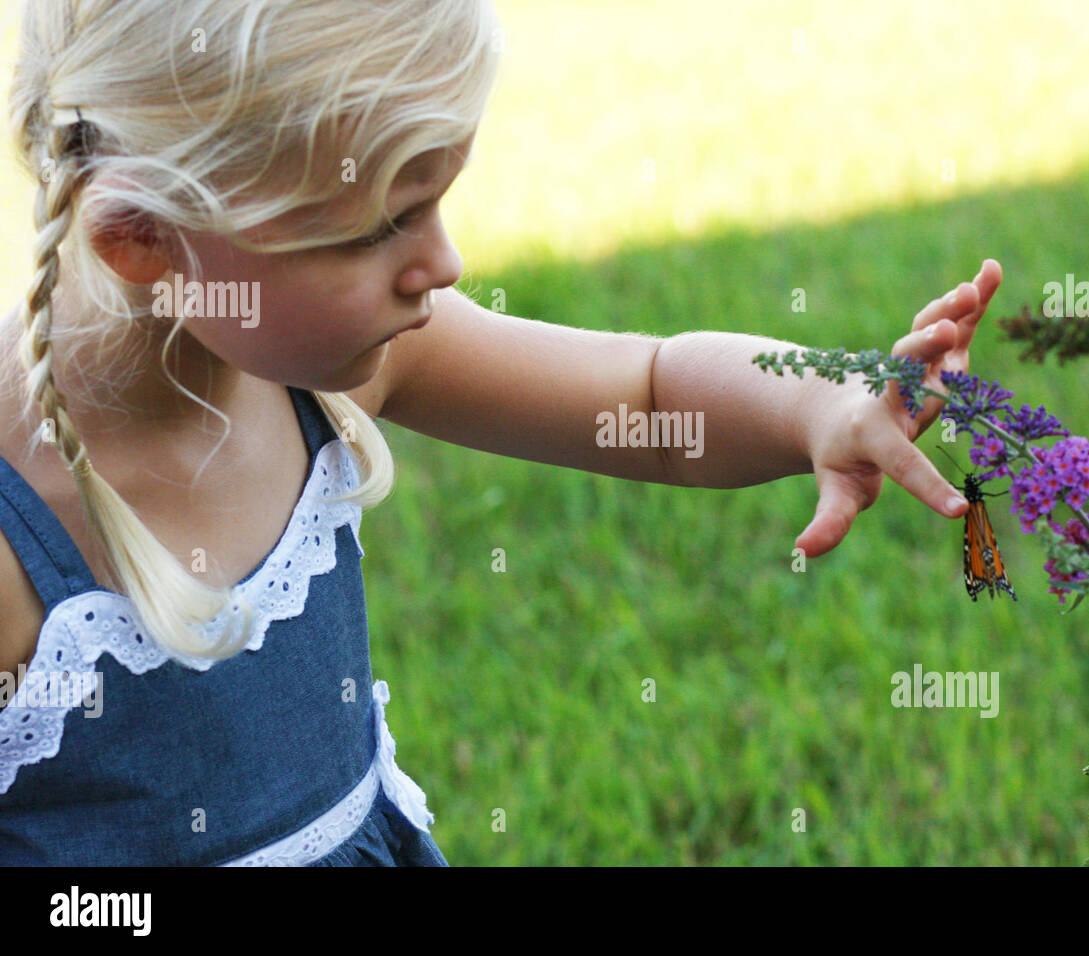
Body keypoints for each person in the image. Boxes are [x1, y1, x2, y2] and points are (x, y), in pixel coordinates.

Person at [0, 0, 1000, 865]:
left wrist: (818, 404)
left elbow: (645, 397)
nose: (443, 259)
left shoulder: (328, 364)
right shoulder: (17, 544)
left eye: (437, 203)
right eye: (380, 225)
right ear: (142, 241)